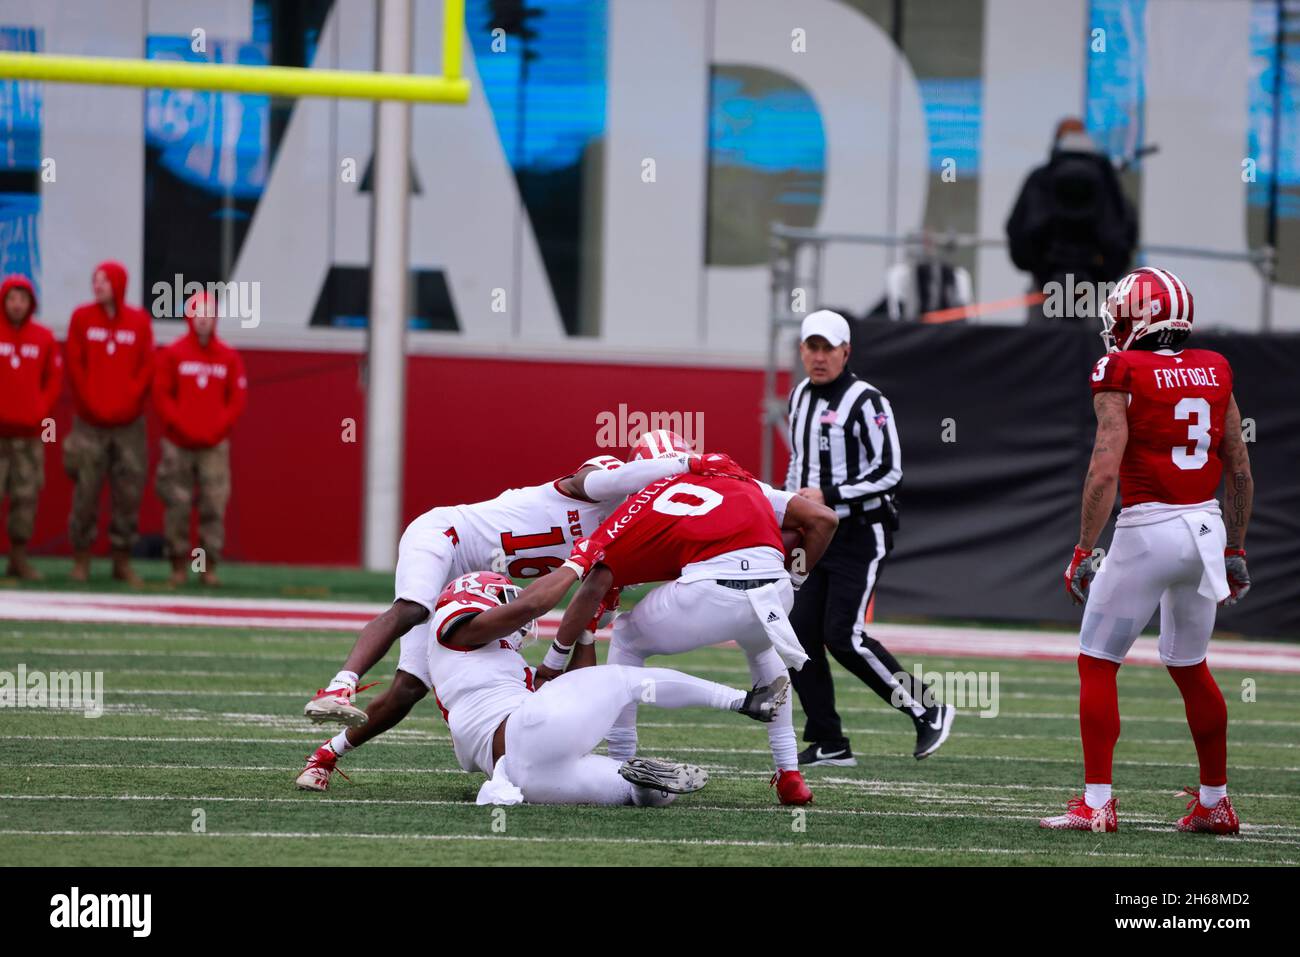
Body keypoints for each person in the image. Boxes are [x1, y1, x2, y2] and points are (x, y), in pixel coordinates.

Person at [295, 446, 753, 790]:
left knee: (410, 688)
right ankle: (341, 683)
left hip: (486, 590)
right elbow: (611, 480)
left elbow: (586, 606)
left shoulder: (625, 536)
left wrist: (560, 656)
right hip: (448, 537)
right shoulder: (603, 479)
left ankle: (325, 756)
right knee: (413, 606)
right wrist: (690, 461)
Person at [1043, 266, 1252, 835]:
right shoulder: (1216, 368)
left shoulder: (1121, 367)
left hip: (1147, 527)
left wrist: (1085, 548)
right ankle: (1216, 802)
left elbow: (1104, 465)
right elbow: (1238, 466)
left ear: (1142, 315)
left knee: (1097, 660)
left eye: (1121, 310)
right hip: (1205, 530)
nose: (1114, 320)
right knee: (1190, 667)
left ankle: (1097, 803)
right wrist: (1235, 546)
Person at [551, 429, 839, 806]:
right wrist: (796, 579)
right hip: (773, 591)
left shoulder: (646, 499)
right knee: (762, 652)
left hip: (711, 590)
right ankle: (790, 775)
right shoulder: (739, 478)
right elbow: (823, 519)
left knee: (626, 637)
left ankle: (621, 761)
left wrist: (556, 657)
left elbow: (598, 581)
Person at [423, 569, 789, 806]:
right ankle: (745, 701)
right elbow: (530, 607)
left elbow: (577, 684)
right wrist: (577, 565)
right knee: (624, 679)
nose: (512, 610)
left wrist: (586, 628)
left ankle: (646, 783)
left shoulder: (485, 668)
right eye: (503, 600)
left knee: (636, 794)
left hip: (526, 776)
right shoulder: (452, 628)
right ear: (474, 600)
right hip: (527, 731)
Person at [784, 309, 954, 766]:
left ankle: (927, 708)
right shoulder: (799, 396)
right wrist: (788, 507)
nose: (819, 357)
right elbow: (799, 464)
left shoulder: (866, 400)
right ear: (802, 350)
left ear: (846, 352)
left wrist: (829, 494)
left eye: (828, 348)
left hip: (860, 532)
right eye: (812, 348)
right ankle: (829, 740)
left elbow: (890, 472)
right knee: (796, 636)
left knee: (844, 635)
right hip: (815, 534)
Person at [63, 261, 155, 584]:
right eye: (95, 280)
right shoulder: (81, 318)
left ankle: (122, 561)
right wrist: (90, 404)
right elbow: (74, 365)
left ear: (118, 283)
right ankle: (81, 560)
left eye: (104, 280)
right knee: (85, 491)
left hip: (129, 426)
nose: (98, 285)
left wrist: (128, 402)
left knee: (128, 493)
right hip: (89, 424)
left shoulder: (139, 321)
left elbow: (146, 368)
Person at [152, 292, 248, 586]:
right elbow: (162, 394)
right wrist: (179, 424)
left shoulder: (228, 356)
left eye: (208, 313)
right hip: (177, 445)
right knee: (177, 506)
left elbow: (237, 397)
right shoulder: (172, 353)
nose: (203, 318)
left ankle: (208, 567)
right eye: (198, 312)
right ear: (189, 317)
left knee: (213, 507)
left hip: (214, 447)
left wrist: (219, 427)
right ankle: (178, 566)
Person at [1005, 118, 1137, 321]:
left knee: (1040, 348)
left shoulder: (1040, 179)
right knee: (1094, 346)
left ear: (1056, 141)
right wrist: (1103, 273)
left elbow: (1018, 232)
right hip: (1094, 290)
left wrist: (1042, 268)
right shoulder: (1106, 181)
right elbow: (1123, 233)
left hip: (1046, 287)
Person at [0, 275, 62, 580]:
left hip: (28, 435)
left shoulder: (43, 338)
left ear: (30, 303)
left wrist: (39, 410)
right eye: (12, 298)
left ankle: (18, 559)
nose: (16, 305)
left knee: (25, 497)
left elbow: (53, 380)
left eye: (22, 299)